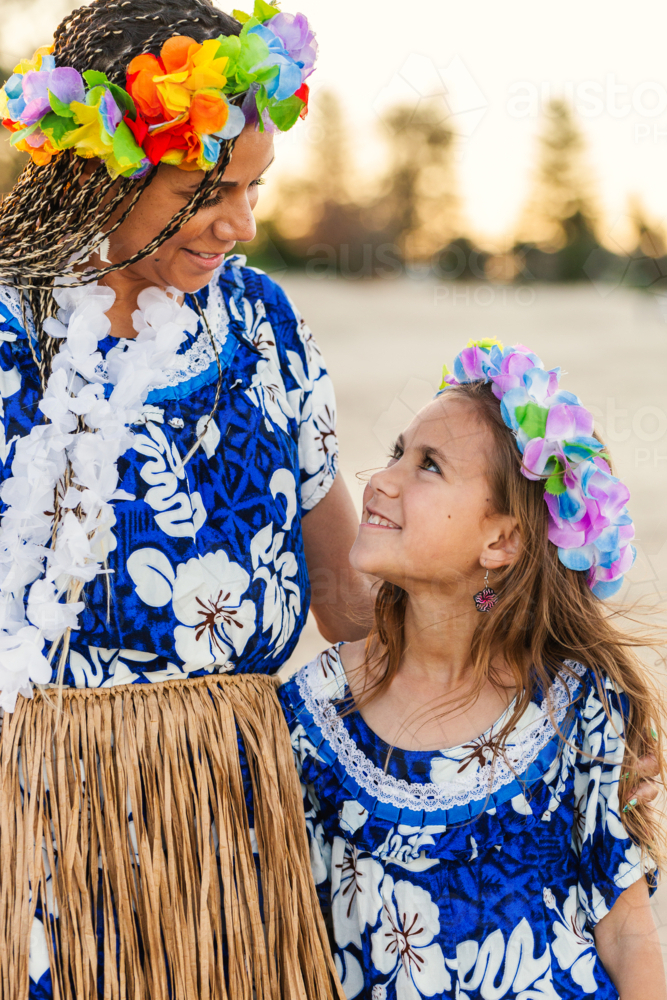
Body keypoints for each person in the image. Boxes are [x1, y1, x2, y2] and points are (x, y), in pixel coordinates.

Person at [0, 2, 369, 997]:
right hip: (41, 838)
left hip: (230, 832)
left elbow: (349, 601)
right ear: (104, 166)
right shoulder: (4, 332)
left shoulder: (262, 321)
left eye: (254, 189)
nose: (239, 224)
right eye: (206, 190)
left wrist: (530, 676)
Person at [279, 339, 667, 1000]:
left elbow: (626, 927)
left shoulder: (574, 707)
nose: (382, 480)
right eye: (396, 452)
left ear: (501, 540)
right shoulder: (311, 711)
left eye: (428, 465)